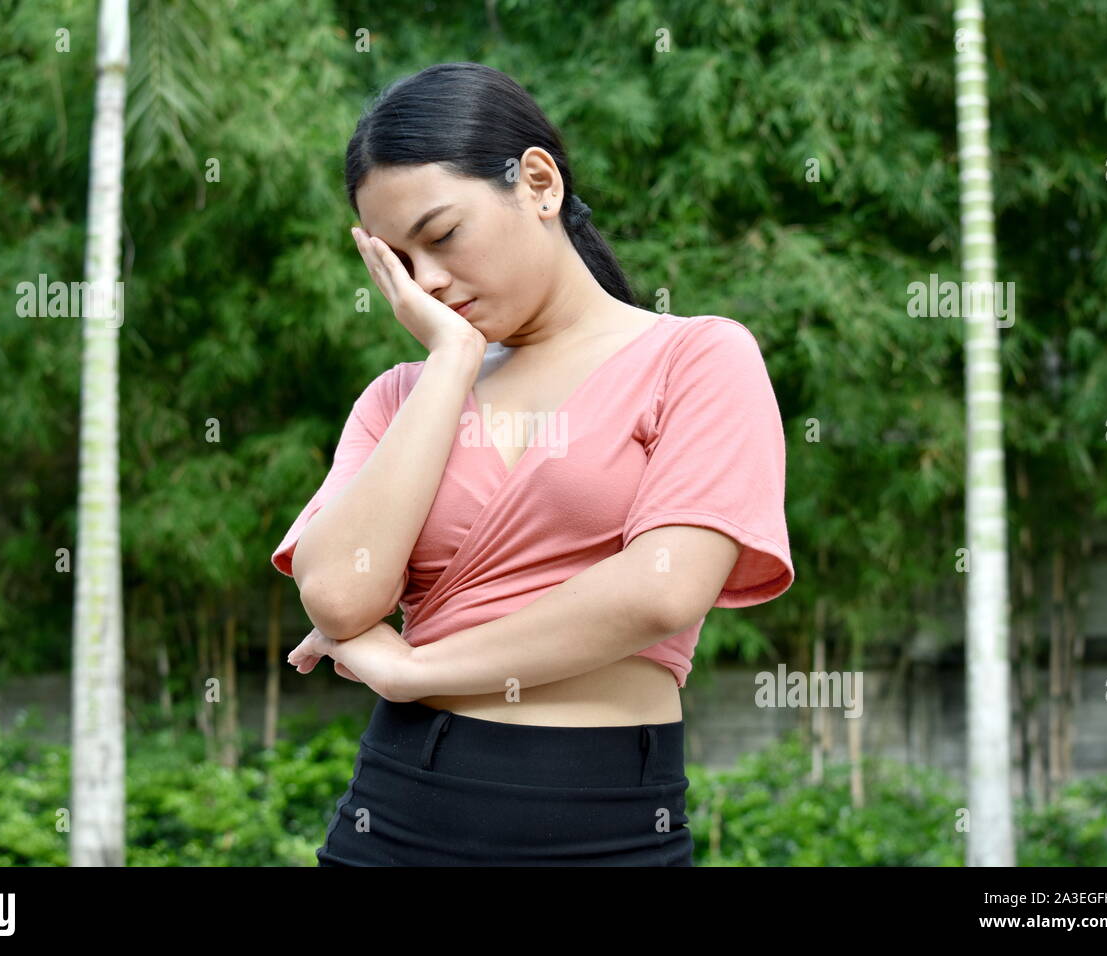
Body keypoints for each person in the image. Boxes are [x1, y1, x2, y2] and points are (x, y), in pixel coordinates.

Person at [271, 62, 794, 866]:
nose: (430, 281)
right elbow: (339, 595)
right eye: (401, 265)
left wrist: (418, 670)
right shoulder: (399, 398)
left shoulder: (696, 358)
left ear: (539, 182)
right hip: (401, 809)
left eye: (442, 236)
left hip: (610, 820)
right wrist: (451, 361)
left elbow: (661, 588)